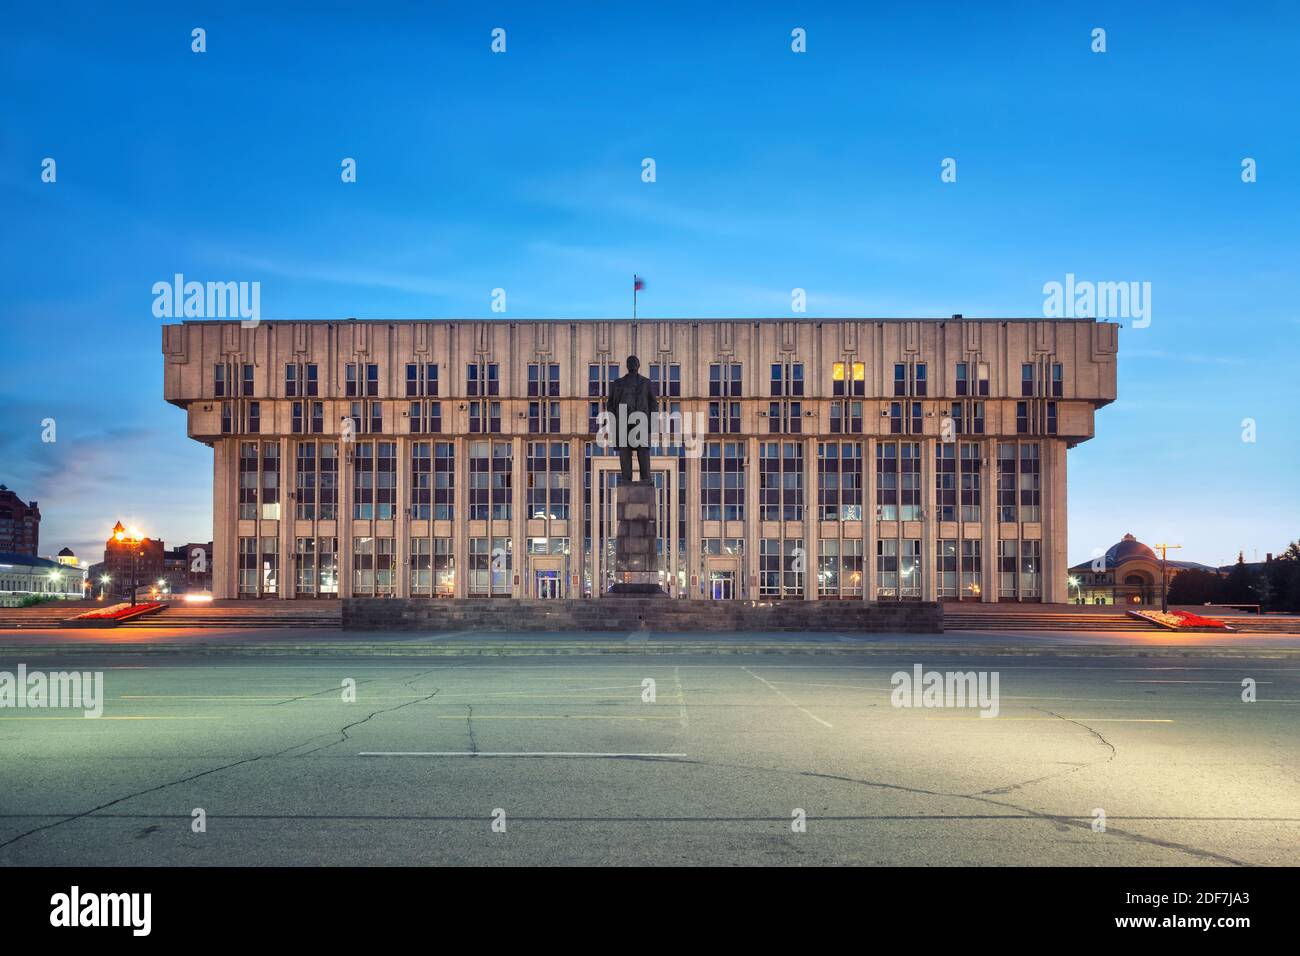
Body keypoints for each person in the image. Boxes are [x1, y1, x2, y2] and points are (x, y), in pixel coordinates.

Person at [605, 354, 658, 483]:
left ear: (638, 365)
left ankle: (645, 478)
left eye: (635, 362)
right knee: (624, 452)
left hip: (641, 421)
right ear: (627, 366)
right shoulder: (618, 383)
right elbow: (610, 404)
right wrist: (616, 418)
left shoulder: (646, 382)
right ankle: (626, 478)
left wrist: (651, 423)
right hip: (623, 420)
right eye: (630, 362)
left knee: (643, 452)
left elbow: (653, 404)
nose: (632, 364)